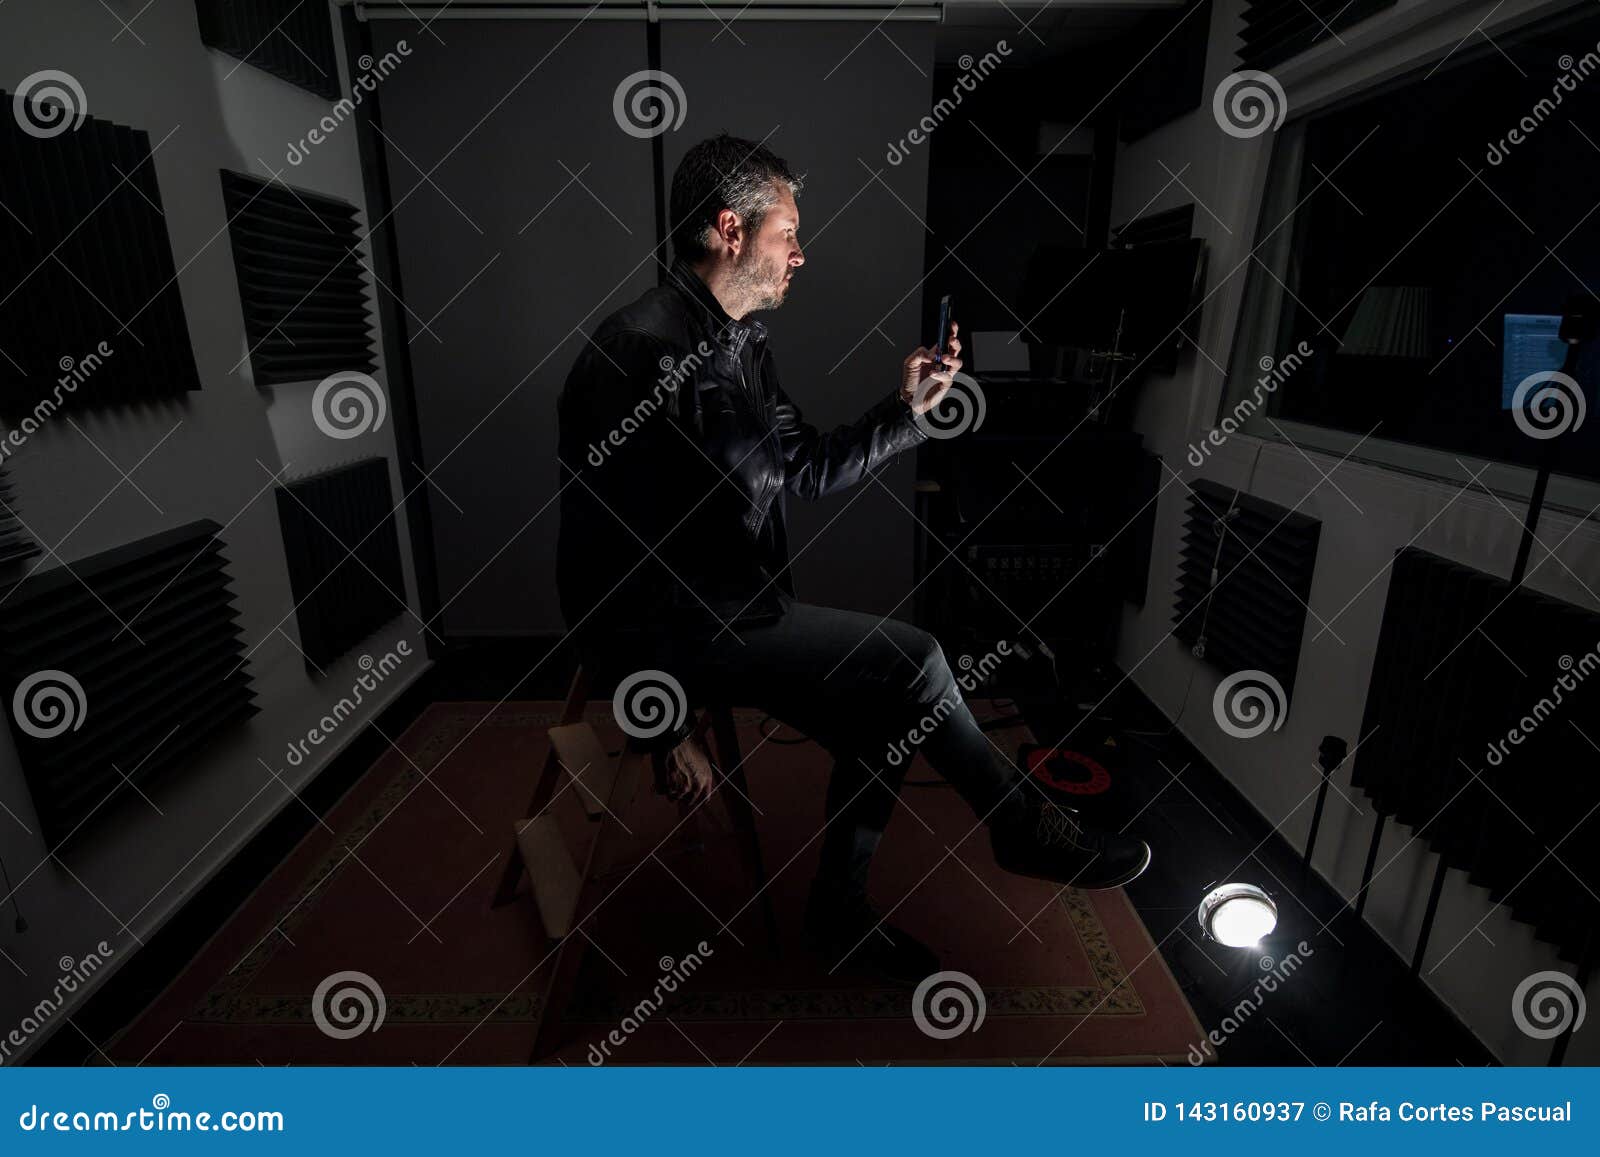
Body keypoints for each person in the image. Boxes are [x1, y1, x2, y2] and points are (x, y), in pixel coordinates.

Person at [556, 133, 1150, 981]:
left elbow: (804, 466)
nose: (801, 252)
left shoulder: (743, 341)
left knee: (890, 712)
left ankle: (838, 913)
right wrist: (663, 719)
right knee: (918, 659)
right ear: (731, 229)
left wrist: (907, 411)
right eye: (786, 232)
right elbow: (598, 563)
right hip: (680, 638)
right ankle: (1021, 823)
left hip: (747, 610)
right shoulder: (633, 356)